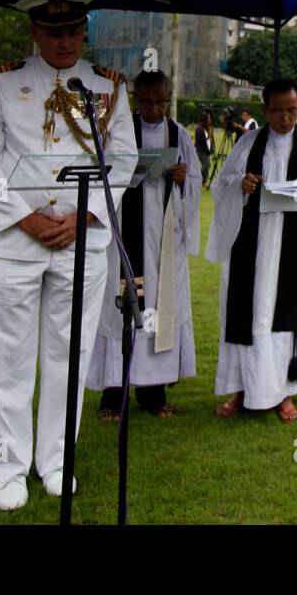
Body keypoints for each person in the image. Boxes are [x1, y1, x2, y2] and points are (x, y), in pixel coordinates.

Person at [0, 0, 133, 511]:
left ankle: (57, 461)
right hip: (15, 243)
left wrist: (83, 218)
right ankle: (9, 468)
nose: (64, 41)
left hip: (82, 241)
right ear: (35, 33)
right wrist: (29, 219)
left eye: (73, 31)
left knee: (70, 356)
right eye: (52, 31)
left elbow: (123, 158)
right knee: (9, 360)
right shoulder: (0, 82)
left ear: (85, 32)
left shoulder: (107, 86)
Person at [206, 78, 297, 423]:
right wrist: (241, 185)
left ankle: (286, 392)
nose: (285, 118)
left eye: (292, 110)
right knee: (245, 315)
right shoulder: (248, 144)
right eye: (277, 111)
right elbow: (220, 187)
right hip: (252, 247)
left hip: (291, 251)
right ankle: (241, 389)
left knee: (289, 317)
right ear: (265, 110)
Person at [87, 71, 200, 420]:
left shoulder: (179, 135)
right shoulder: (117, 133)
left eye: (161, 101)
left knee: (159, 313)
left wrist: (182, 181)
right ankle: (113, 395)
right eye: (146, 102)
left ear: (168, 97)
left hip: (164, 242)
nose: (154, 109)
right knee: (120, 309)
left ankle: (154, 393)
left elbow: (195, 183)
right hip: (125, 237)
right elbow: (100, 175)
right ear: (134, 100)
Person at [194, 111, 215, 189]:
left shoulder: (208, 127)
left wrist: (212, 149)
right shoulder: (199, 128)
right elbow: (198, 141)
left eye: (210, 118)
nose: (210, 119)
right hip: (201, 151)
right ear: (204, 119)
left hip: (207, 151)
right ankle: (198, 179)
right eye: (208, 118)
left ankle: (203, 182)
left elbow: (211, 140)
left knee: (207, 165)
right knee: (207, 165)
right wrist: (207, 137)